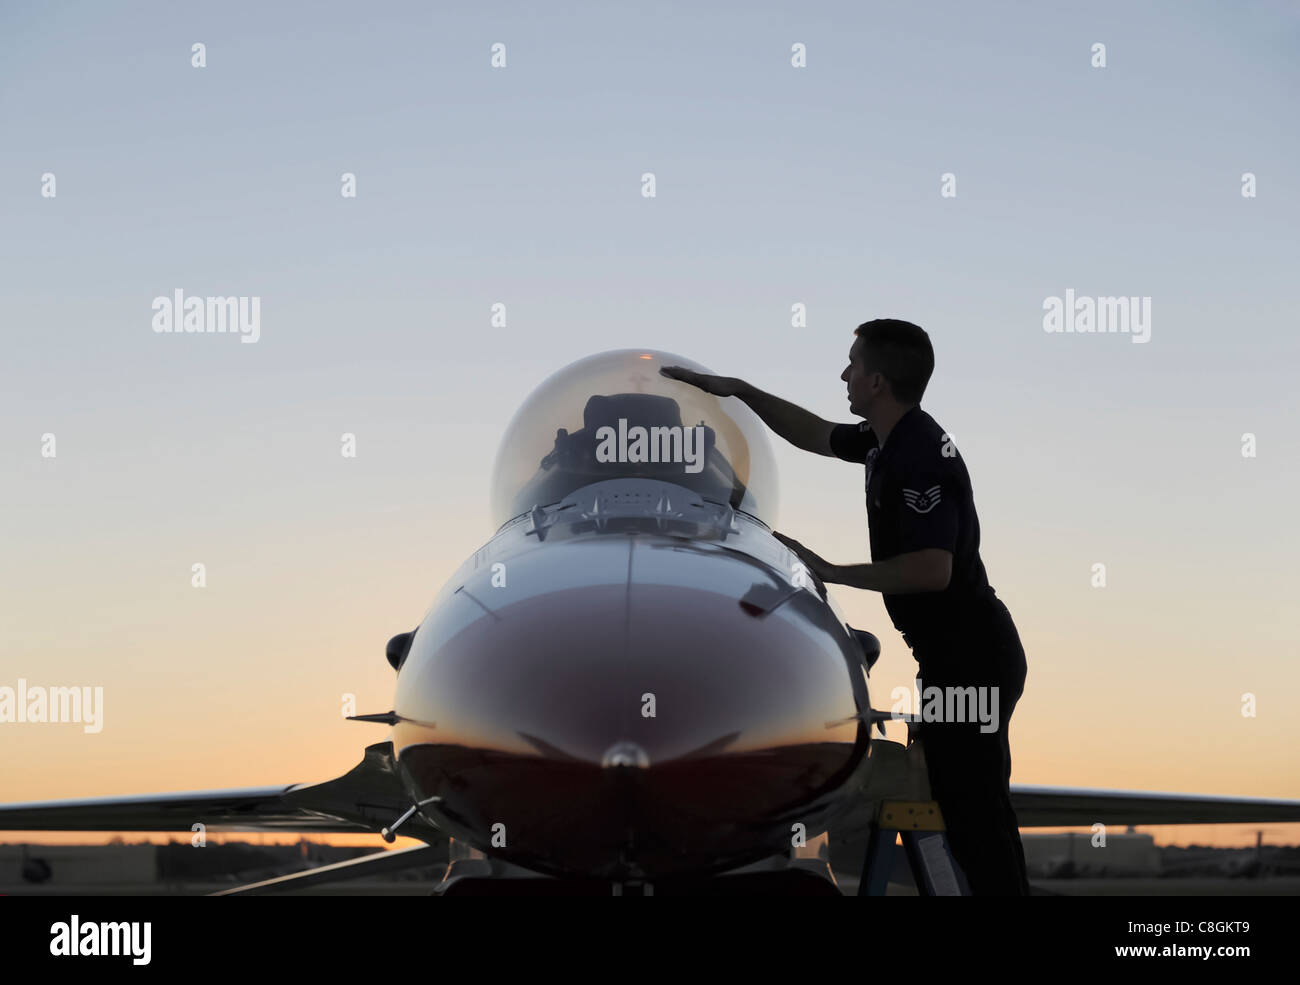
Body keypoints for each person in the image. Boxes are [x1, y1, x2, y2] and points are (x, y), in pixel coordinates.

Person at [660, 319, 1031, 895]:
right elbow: (816, 433)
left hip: (973, 657)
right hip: (952, 655)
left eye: (853, 364)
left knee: (976, 818)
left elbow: (935, 569)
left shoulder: (919, 456)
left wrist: (832, 573)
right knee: (967, 813)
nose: (844, 373)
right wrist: (743, 392)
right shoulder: (888, 440)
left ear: (877, 382)